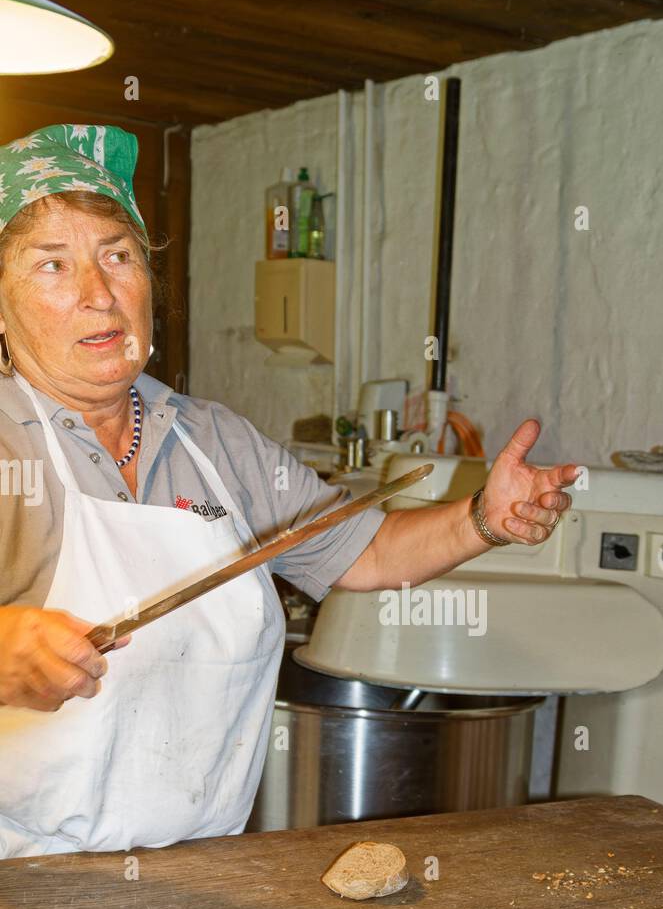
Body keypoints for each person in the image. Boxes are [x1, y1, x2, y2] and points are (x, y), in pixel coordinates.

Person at [0, 123, 578, 858]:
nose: (97, 294)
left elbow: (363, 554)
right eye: (51, 266)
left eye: (117, 256)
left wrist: (483, 520)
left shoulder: (216, 442)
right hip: (21, 889)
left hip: (205, 870)